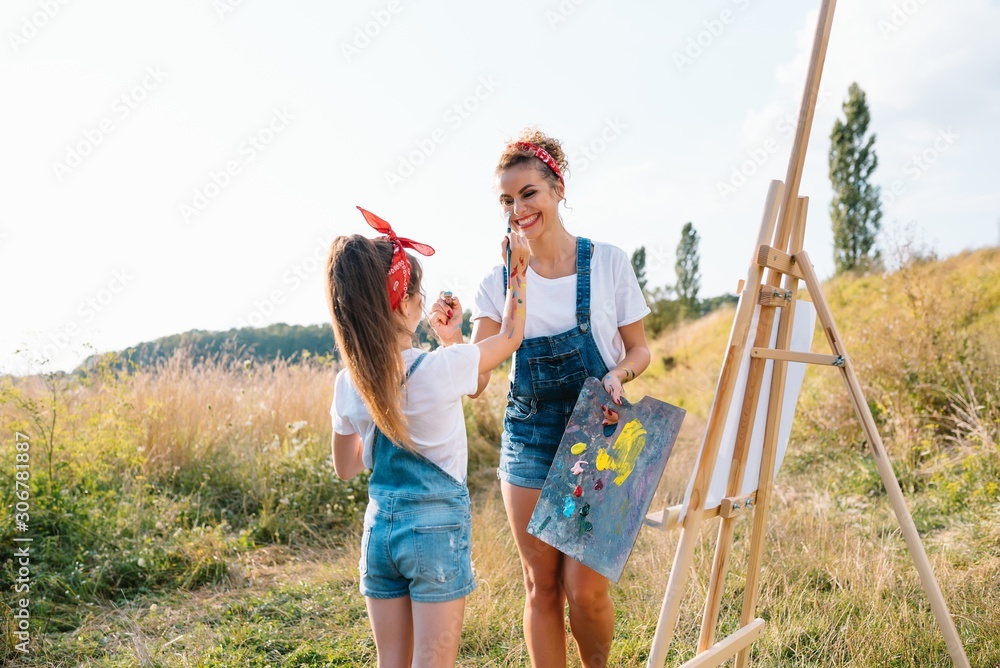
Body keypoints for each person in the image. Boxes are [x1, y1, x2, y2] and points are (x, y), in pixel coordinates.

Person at [471, 130, 651, 667]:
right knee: (541, 586)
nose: (518, 209)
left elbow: (640, 349)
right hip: (528, 436)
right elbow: (475, 374)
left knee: (586, 590)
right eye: (507, 200)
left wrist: (620, 372)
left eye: (528, 193)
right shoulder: (497, 279)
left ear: (556, 189)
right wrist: (449, 340)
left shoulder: (609, 263)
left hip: (600, 429)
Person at [327, 206, 530, 668]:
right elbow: (512, 335)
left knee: (392, 662)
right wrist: (516, 272)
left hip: (379, 532)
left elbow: (346, 467)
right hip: (436, 535)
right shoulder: (441, 368)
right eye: (417, 292)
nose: (423, 300)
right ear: (403, 304)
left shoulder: (348, 383)